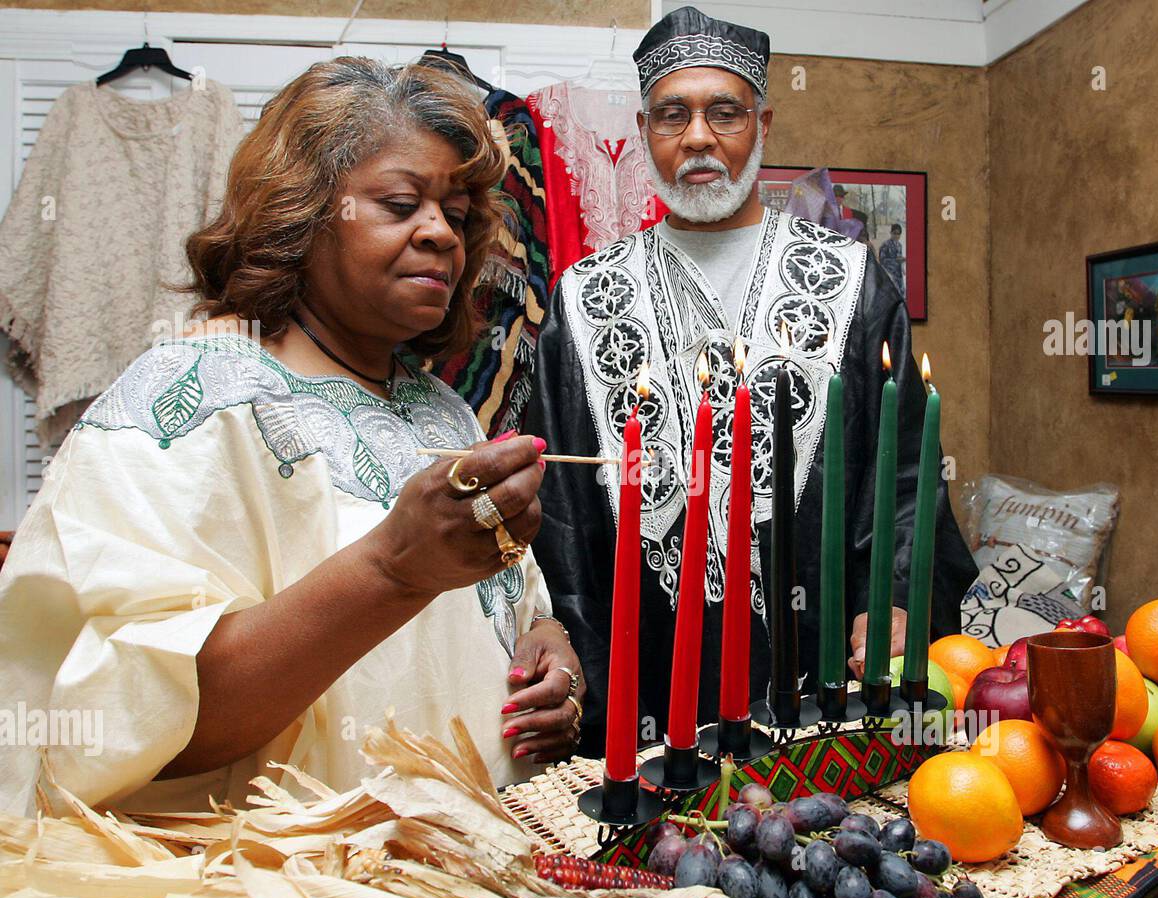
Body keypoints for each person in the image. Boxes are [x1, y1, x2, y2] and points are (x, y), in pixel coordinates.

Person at [0, 59, 585, 819]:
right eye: (403, 202)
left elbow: (514, 606)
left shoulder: (445, 413)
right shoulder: (186, 403)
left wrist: (549, 652)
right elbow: (127, 727)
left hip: (471, 880)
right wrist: (392, 569)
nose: (441, 232)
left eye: (460, 213)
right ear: (305, 213)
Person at [526, 7, 976, 755]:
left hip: (815, 683)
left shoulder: (853, 283)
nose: (698, 137)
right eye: (673, 115)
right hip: (637, 705)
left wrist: (893, 601)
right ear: (644, 132)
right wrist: (566, 651)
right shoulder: (581, 301)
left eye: (724, 112)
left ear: (761, 121)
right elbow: (562, 514)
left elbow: (903, 478)